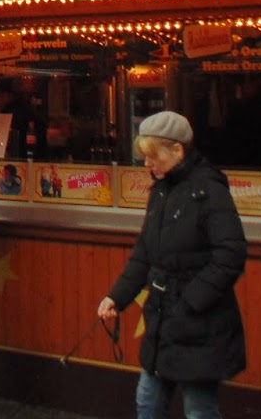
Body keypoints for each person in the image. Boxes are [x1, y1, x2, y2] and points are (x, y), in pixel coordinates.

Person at [98, 112, 247, 419]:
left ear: (177, 150)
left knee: (199, 410)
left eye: (153, 156)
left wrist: (190, 302)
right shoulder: (161, 191)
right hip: (164, 318)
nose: (147, 164)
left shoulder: (210, 190)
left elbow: (230, 255)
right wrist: (117, 297)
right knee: (148, 403)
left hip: (201, 325)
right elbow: (144, 253)